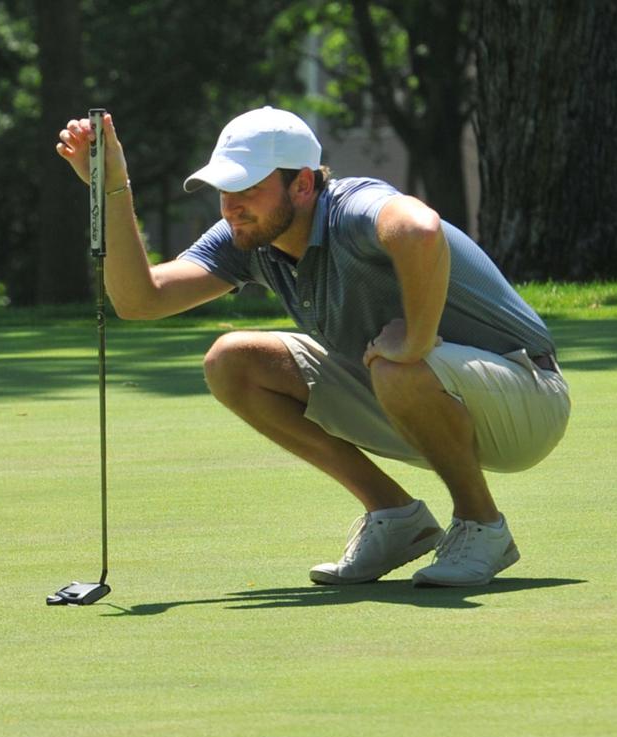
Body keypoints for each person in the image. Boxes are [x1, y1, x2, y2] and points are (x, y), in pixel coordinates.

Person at [55, 107, 570, 587]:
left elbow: (419, 228)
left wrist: (414, 340)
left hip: (527, 395)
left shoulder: (352, 206)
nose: (231, 205)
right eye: (223, 190)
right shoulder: (248, 238)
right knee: (232, 362)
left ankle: (483, 526)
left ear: (302, 184)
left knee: (397, 366)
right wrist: (111, 187)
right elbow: (140, 300)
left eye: (247, 188)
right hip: (417, 392)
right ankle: (396, 519)